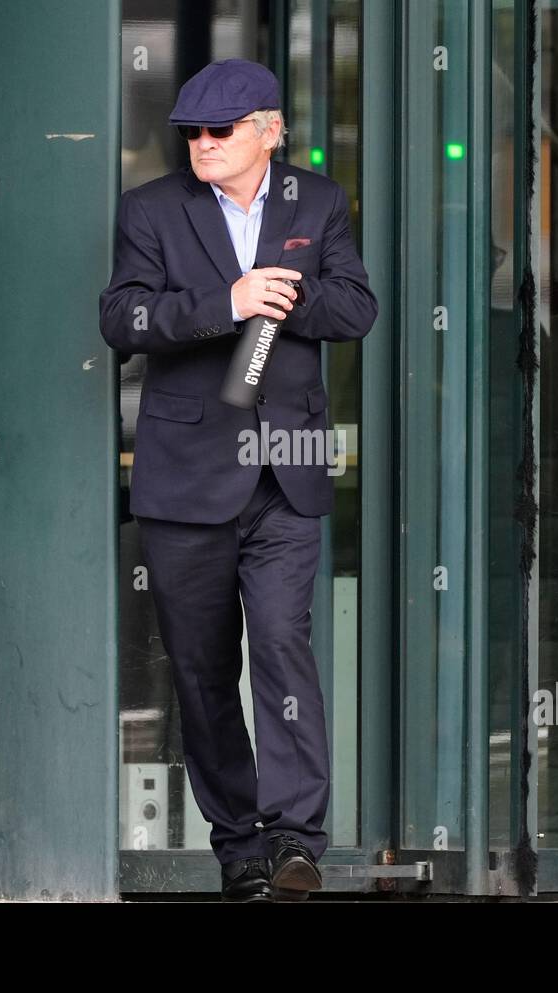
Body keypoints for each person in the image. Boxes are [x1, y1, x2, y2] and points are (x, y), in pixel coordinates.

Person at [99, 58, 378, 902]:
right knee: (201, 668)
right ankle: (239, 845)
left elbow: (357, 308)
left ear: (269, 130)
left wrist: (282, 298)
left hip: (286, 477)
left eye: (221, 130)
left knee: (286, 649)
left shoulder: (319, 201)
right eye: (192, 132)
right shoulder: (149, 209)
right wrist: (230, 299)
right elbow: (123, 318)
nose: (204, 145)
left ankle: (297, 840)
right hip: (187, 478)